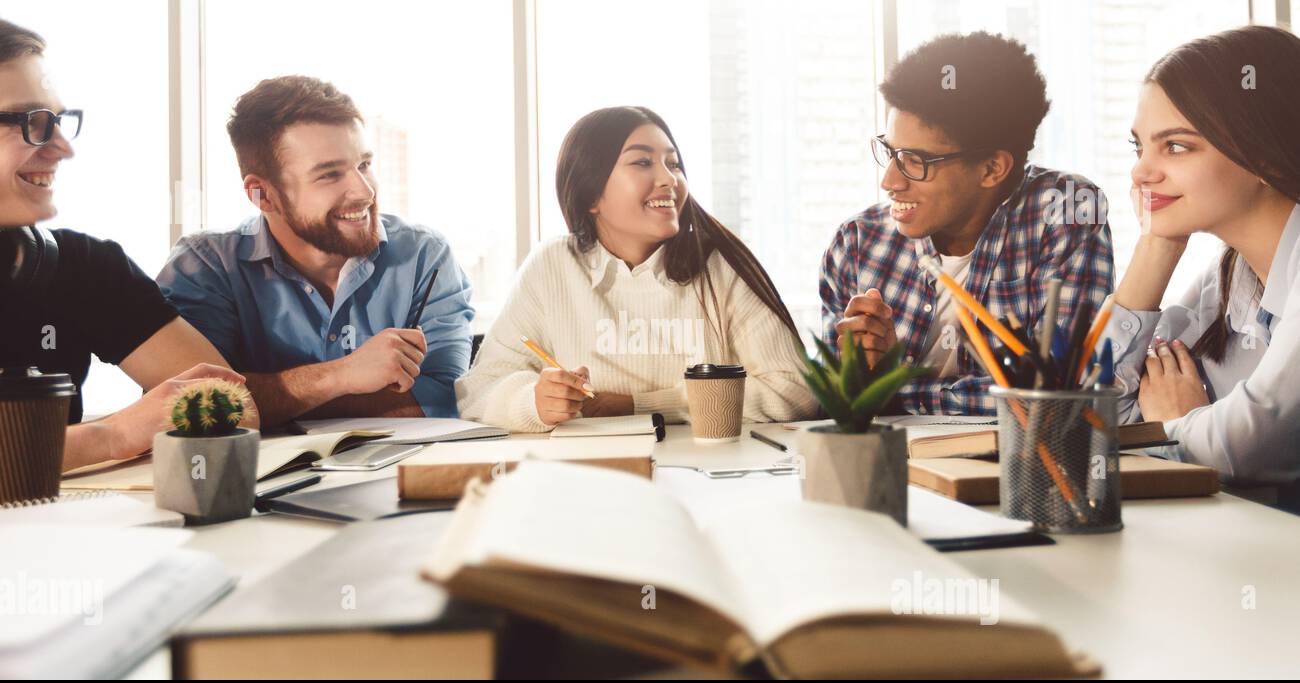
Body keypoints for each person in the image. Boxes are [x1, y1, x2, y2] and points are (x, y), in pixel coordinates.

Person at [457, 106, 817, 431]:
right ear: (591, 196)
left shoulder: (720, 266)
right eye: (643, 163)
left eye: (673, 164)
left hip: (713, 476)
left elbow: (797, 389)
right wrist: (533, 401)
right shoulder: (553, 265)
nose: (669, 179)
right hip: (591, 477)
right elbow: (480, 390)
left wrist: (642, 406)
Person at [0, 18, 249, 471]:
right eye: (33, 123)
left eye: (59, 121)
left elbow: (235, 406)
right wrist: (110, 436)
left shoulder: (86, 267)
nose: (63, 148)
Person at [821, 32, 1114, 415]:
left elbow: (1059, 395)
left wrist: (892, 389)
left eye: (915, 160)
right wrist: (866, 376)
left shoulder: (1066, 212)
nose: (890, 181)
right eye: (890, 152)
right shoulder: (858, 243)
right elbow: (832, 401)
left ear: (992, 168)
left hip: (1019, 469)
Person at [157, 76, 474, 426]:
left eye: (364, 165)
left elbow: (447, 398)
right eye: (330, 175)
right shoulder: (206, 267)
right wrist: (341, 376)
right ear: (262, 194)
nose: (364, 191)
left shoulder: (424, 257)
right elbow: (186, 406)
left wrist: (266, 401)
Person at [1109, 25, 1300, 493]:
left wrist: (1178, 419)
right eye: (1139, 146)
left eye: (1175, 146)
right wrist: (1158, 245)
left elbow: (1250, 445)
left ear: (1266, 158)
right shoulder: (1228, 277)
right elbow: (1085, 414)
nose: (1140, 171)